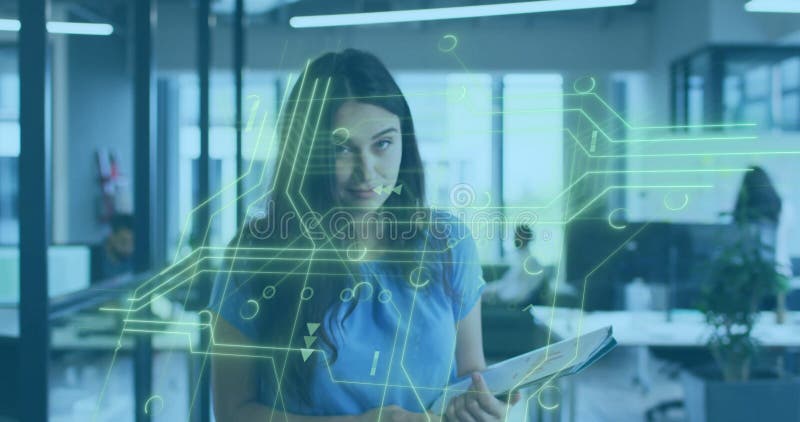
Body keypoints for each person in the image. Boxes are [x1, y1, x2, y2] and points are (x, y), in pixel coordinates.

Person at [207, 49, 520, 421]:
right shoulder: (256, 253)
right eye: (341, 149)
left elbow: (471, 374)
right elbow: (232, 412)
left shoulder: (446, 242)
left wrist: (478, 405)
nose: (367, 172)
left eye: (383, 144)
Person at [482, 224, 546, 305]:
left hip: (511, 295)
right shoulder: (511, 257)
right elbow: (506, 282)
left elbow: (523, 291)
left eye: (520, 235)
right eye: (516, 235)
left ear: (527, 238)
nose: (516, 238)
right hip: (504, 289)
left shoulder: (532, 263)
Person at [90, 213, 134, 282]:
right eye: (124, 242)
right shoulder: (90, 257)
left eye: (133, 244)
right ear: (111, 236)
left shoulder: (133, 266)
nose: (129, 249)